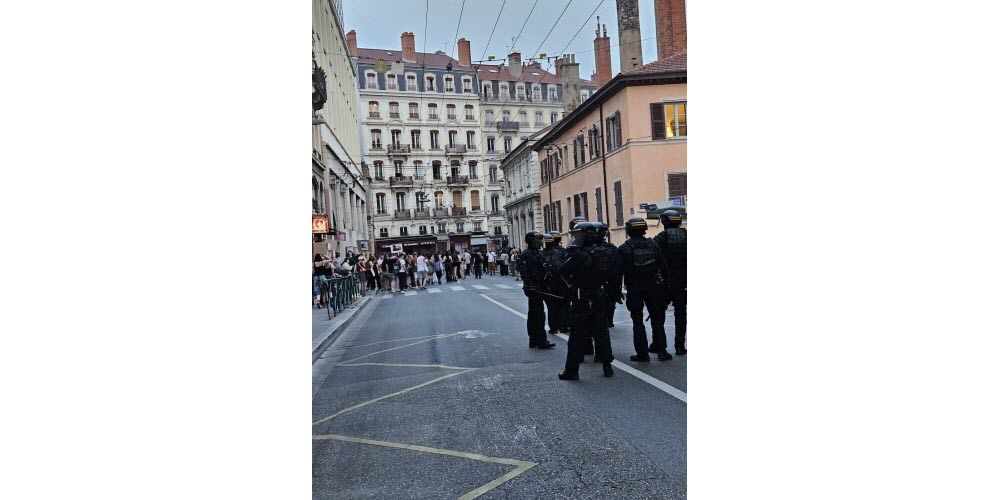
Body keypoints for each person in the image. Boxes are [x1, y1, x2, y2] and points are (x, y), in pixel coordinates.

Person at [558, 222, 615, 380]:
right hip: (599, 294)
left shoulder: (579, 255)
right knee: (602, 332)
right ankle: (607, 366)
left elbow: (562, 270)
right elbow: (612, 275)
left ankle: (572, 370)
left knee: (577, 334)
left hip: (581, 296)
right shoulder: (603, 253)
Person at [618, 217, 672, 361]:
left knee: (637, 321)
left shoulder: (623, 249)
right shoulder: (653, 245)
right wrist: (666, 286)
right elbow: (664, 268)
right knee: (657, 319)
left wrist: (616, 291)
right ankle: (662, 351)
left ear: (629, 230)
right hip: (653, 287)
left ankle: (643, 354)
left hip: (634, 289)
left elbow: (618, 273)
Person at [653, 209, 687, 356]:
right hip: (682, 281)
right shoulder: (687, 236)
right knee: (680, 313)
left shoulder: (661, 237)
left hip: (664, 281)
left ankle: (660, 347)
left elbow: (652, 257)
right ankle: (679, 346)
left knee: (659, 313)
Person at [518, 231, 556, 350]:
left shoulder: (538, 253)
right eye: (538, 239)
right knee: (538, 313)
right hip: (534, 287)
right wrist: (529, 284)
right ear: (531, 241)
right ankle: (540, 340)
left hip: (541, 285)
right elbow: (524, 271)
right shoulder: (526, 255)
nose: (540, 241)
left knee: (535, 313)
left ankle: (534, 339)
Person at [592, 221, 622, 328]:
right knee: (609, 300)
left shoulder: (589, 249)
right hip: (608, 280)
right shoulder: (611, 248)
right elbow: (618, 267)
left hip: (601, 279)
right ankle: (608, 319)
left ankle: (605, 319)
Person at [542, 233, 570, 335]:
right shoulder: (561, 251)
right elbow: (563, 267)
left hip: (549, 283)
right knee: (563, 304)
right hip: (560, 281)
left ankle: (553, 326)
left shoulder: (541, 253)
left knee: (552, 306)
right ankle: (563, 325)